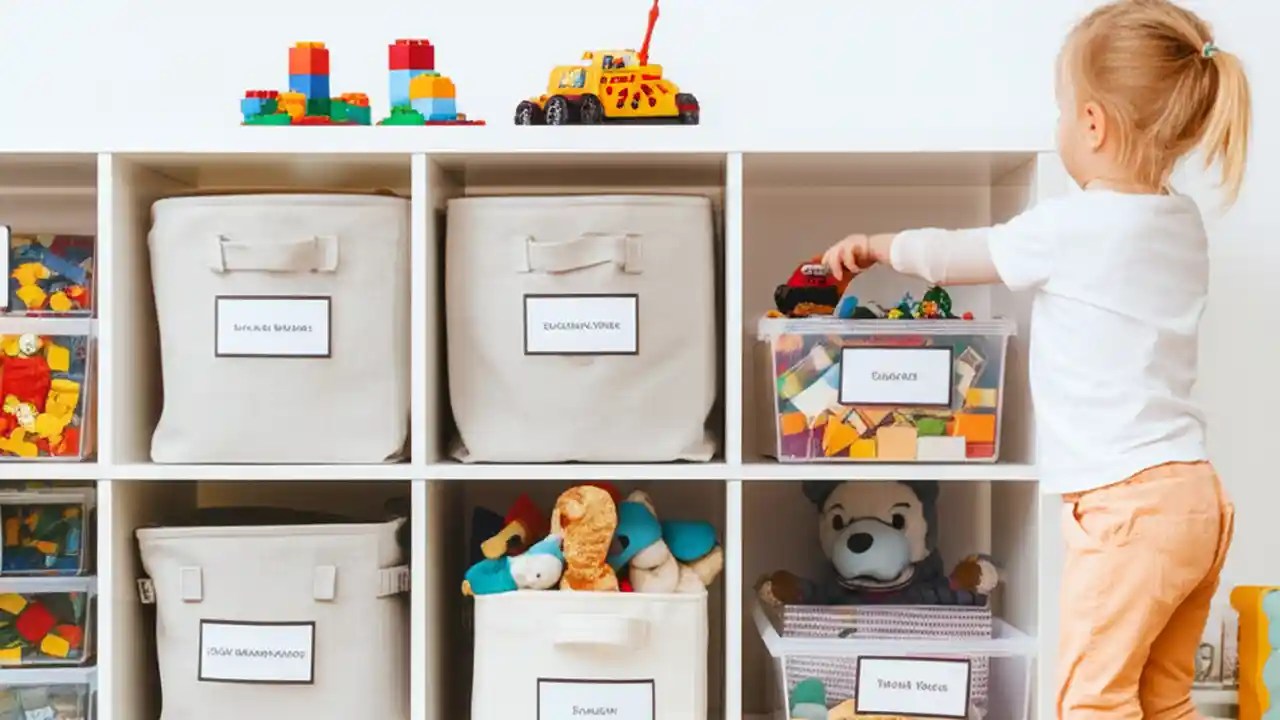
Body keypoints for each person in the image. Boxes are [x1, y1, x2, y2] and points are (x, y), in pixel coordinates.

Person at [820, 2, 1251, 718]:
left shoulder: (1074, 225)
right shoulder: (1181, 222)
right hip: (1196, 499)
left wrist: (876, 243)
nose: (1057, 128)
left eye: (1060, 111)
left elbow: (962, 255)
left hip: (1127, 505)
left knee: (1092, 699)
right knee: (1164, 696)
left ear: (1093, 123)